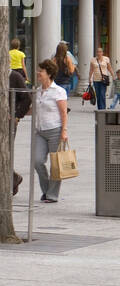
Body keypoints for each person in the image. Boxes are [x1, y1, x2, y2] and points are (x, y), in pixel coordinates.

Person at [34, 59, 70, 203]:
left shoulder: (59, 91)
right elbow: (34, 110)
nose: (38, 73)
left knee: (56, 165)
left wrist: (64, 131)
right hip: (40, 131)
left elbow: (63, 113)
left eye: (41, 71)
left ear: (49, 74)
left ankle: (52, 195)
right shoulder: (37, 91)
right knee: (37, 161)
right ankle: (47, 189)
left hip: (55, 130)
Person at [9, 66, 30, 196]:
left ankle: (12, 180)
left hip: (9, 122)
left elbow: (27, 98)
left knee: (6, 151)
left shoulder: (15, 76)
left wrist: (17, 116)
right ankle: (14, 178)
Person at [87, 45, 113, 110]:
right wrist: (89, 78)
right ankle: (99, 108)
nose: (99, 53)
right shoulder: (93, 60)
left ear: (102, 52)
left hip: (104, 79)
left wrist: (113, 75)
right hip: (96, 79)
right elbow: (91, 70)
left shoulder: (106, 59)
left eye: (100, 52)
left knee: (102, 94)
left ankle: (103, 108)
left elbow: (109, 68)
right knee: (98, 95)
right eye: (98, 52)